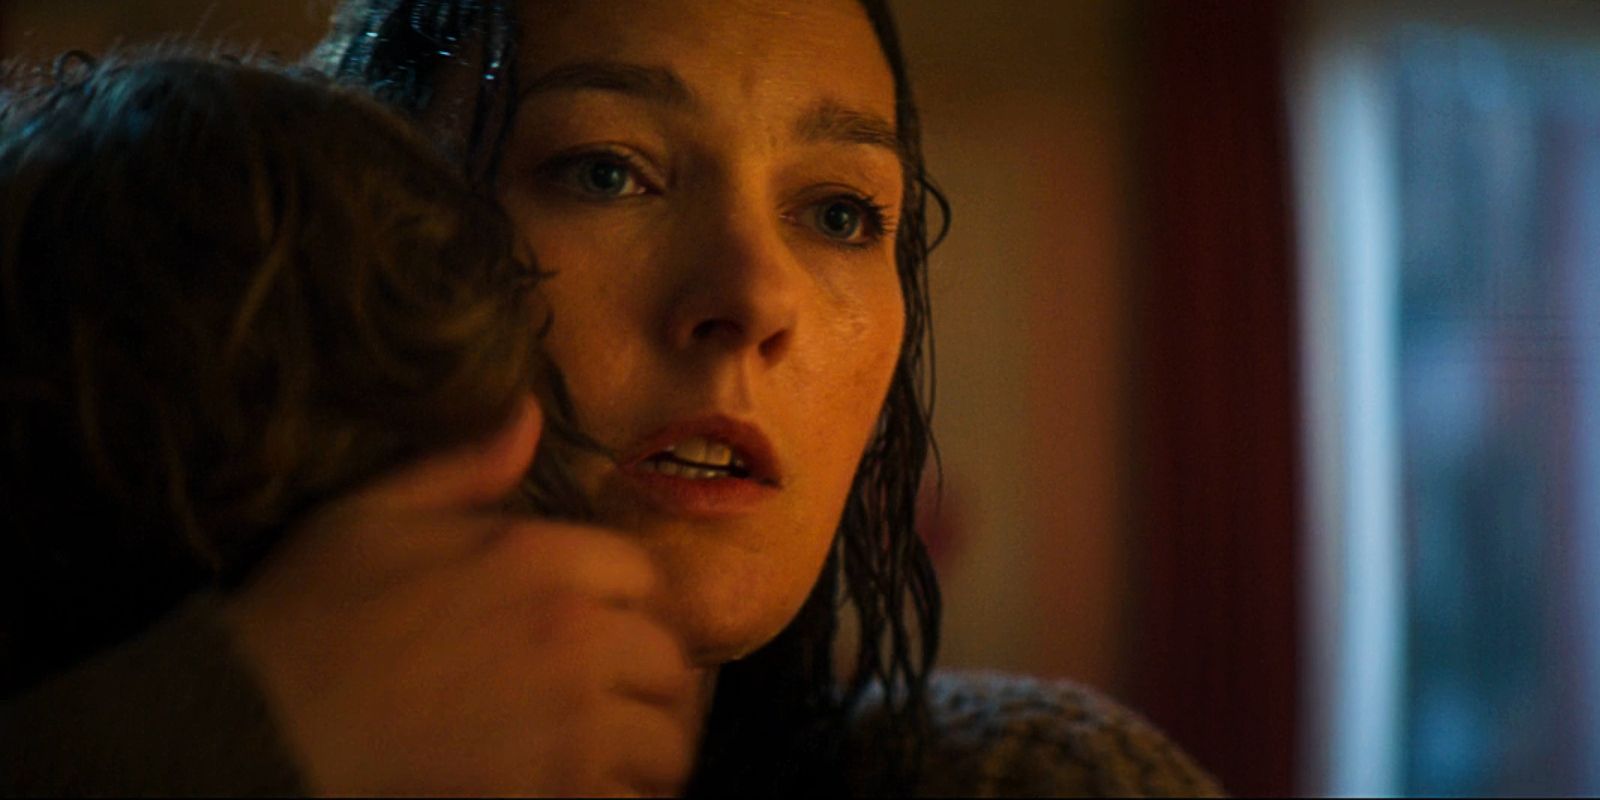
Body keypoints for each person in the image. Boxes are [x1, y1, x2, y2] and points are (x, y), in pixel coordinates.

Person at [2, 1, 1225, 796]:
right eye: (605, 171)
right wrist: (227, 739)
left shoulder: (1024, 778)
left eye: (841, 212)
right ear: (381, 210)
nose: (754, 297)